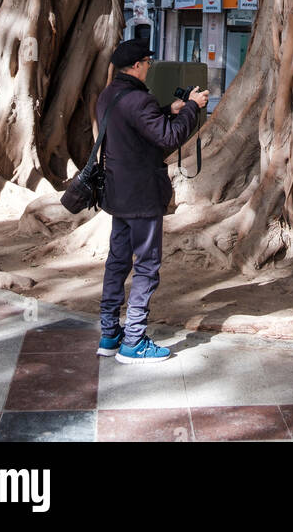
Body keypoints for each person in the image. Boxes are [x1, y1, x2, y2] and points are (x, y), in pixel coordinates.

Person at [95, 39, 209, 364]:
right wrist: (191, 107)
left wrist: (165, 110)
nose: (149, 66)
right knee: (146, 265)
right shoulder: (140, 100)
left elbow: (132, 125)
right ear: (137, 66)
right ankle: (134, 341)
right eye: (147, 62)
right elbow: (169, 137)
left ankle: (109, 334)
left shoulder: (110, 95)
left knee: (117, 261)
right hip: (143, 195)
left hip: (117, 193)